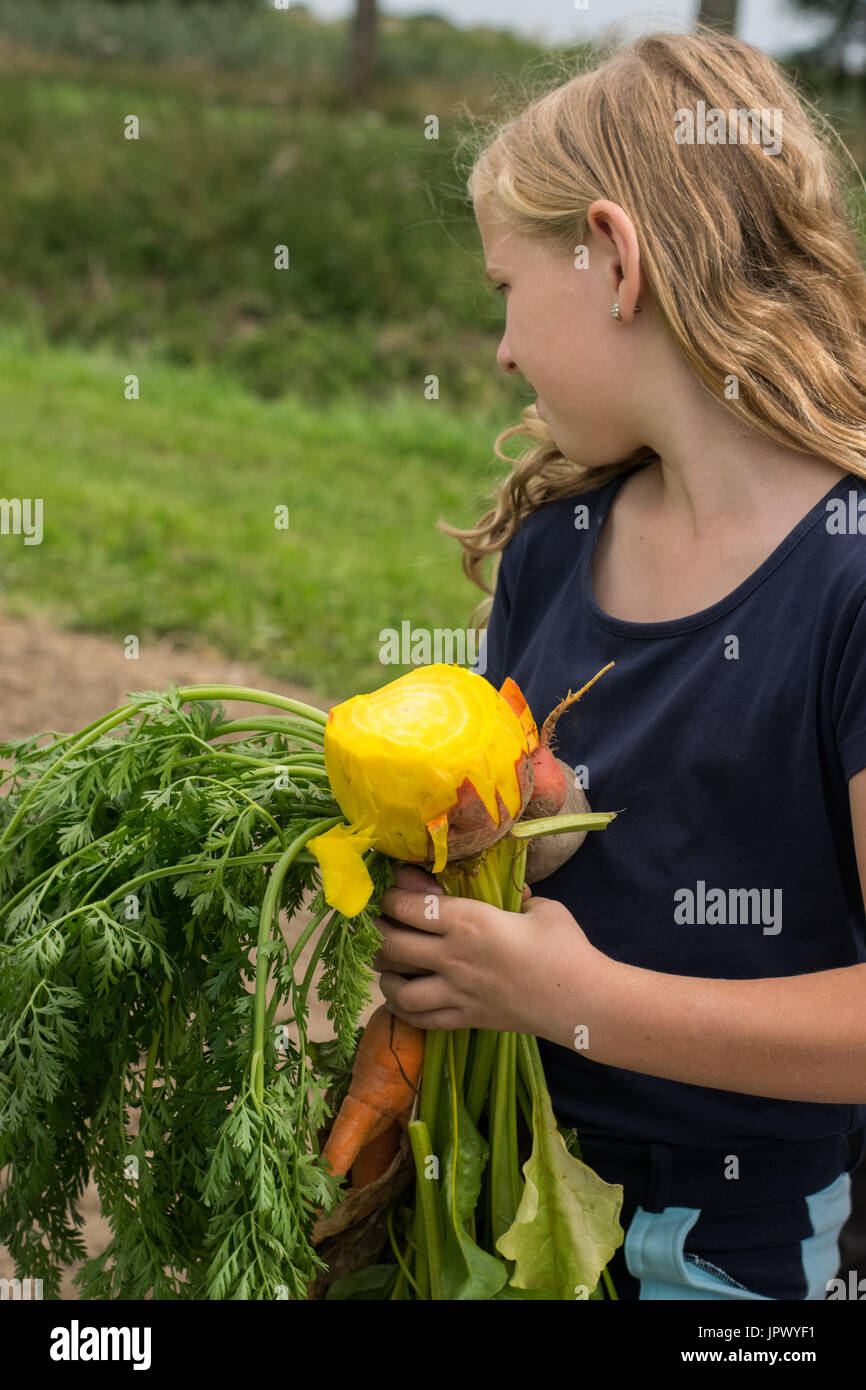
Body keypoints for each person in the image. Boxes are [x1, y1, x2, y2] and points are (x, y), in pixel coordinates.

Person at [370, 26, 866, 1301]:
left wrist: (577, 999)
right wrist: (504, 849)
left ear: (611, 257)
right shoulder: (553, 549)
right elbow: (593, 834)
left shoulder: (848, 580)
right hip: (507, 1190)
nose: (499, 354)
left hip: (740, 1253)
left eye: (502, 292)